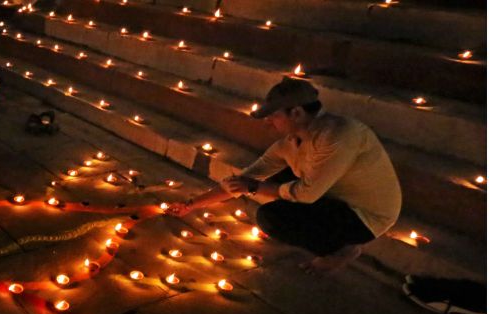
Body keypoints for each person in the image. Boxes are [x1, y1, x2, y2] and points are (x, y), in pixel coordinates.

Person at [170, 77, 402, 273]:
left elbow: (306, 194)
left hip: (364, 215)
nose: (269, 123)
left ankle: (341, 250)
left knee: (271, 216)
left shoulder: (339, 136)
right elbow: (243, 179)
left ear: (297, 112)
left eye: (274, 116)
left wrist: (253, 188)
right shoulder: (290, 143)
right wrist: (192, 204)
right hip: (330, 198)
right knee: (269, 181)